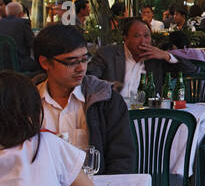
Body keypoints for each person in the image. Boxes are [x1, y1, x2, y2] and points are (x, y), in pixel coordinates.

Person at [32, 23, 135, 174]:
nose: (81, 68)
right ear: (45, 63)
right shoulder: (26, 102)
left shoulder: (106, 100)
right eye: (71, 61)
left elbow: (122, 159)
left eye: (85, 59)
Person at [87, 17, 184, 99]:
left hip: (148, 114)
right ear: (125, 38)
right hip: (113, 112)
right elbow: (89, 80)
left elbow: (191, 70)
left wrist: (166, 56)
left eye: (146, 36)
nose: (143, 41)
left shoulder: (156, 58)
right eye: (137, 36)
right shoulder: (107, 54)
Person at [0, 1, 35, 71]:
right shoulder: (23, 23)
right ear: (21, 14)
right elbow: (32, 43)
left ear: (7, 13)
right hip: (19, 64)